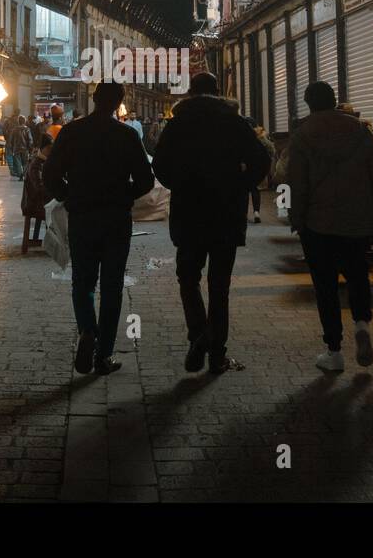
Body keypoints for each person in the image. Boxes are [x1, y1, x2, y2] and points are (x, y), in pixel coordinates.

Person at [153, 72, 270, 375]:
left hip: (189, 211)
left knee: (188, 278)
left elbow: (160, 165)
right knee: (220, 285)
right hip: (226, 213)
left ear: (191, 93)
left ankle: (198, 336)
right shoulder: (235, 123)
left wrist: (181, 183)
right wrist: (242, 183)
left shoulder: (178, 123)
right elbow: (262, 159)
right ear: (218, 92)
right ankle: (217, 353)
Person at [44, 82, 154, 375]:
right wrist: (123, 196)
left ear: (93, 99)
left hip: (83, 218)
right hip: (116, 220)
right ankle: (103, 355)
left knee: (82, 282)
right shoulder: (127, 135)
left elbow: (50, 173)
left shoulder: (72, 132)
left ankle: (87, 331)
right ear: (120, 102)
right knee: (112, 286)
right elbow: (146, 181)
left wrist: (68, 196)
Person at [289, 81, 373, 371]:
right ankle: (361, 323)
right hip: (357, 220)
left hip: (317, 223)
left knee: (325, 286)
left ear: (309, 103)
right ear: (334, 100)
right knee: (358, 275)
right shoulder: (360, 131)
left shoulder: (302, 135)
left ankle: (333, 351)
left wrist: (296, 218)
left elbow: (297, 183)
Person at [21, 134, 53, 246]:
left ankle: (56, 241)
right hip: (34, 203)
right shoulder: (36, 164)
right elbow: (40, 188)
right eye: (49, 148)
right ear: (42, 148)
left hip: (40, 200)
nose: (51, 151)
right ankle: (55, 242)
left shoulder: (44, 161)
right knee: (60, 209)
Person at [244, 117, 275, 224]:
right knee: (255, 189)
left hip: (246, 166)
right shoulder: (261, 136)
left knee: (245, 190)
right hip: (258, 167)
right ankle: (256, 212)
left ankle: (244, 214)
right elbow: (271, 150)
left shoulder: (243, 136)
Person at [6, 115, 33, 180]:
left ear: (18, 122)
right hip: (25, 149)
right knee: (25, 163)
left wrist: (12, 148)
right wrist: (30, 149)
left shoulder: (14, 130)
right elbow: (30, 140)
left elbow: (11, 140)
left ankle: (20, 175)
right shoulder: (27, 129)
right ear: (24, 121)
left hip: (16, 149)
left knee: (18, 163)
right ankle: (24, 174)